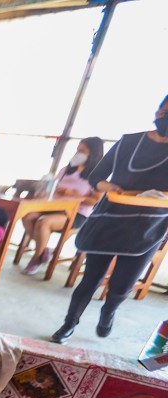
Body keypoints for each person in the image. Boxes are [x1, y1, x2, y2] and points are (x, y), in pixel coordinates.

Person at [51, 95, 168, 344]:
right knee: (90, 278)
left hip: (150, 227)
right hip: (110, 219)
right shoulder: (129, 142)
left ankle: (109, 311)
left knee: (121, 286)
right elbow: (96, 177)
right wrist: (111, 187)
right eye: (164, 111)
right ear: (158, 111)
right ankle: (69, 324)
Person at [19, 137, 105, 275]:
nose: (78, 153)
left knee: (43, 223)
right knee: (28, 216)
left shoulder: (97, 176)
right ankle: (43, 251)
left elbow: (95, 200)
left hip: (78, 214)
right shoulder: (66, 170)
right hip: (54, 208)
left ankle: (36, 258)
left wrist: (73, 194)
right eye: (77, 150)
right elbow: (53, 187)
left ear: (93, 153)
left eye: (82, 151)